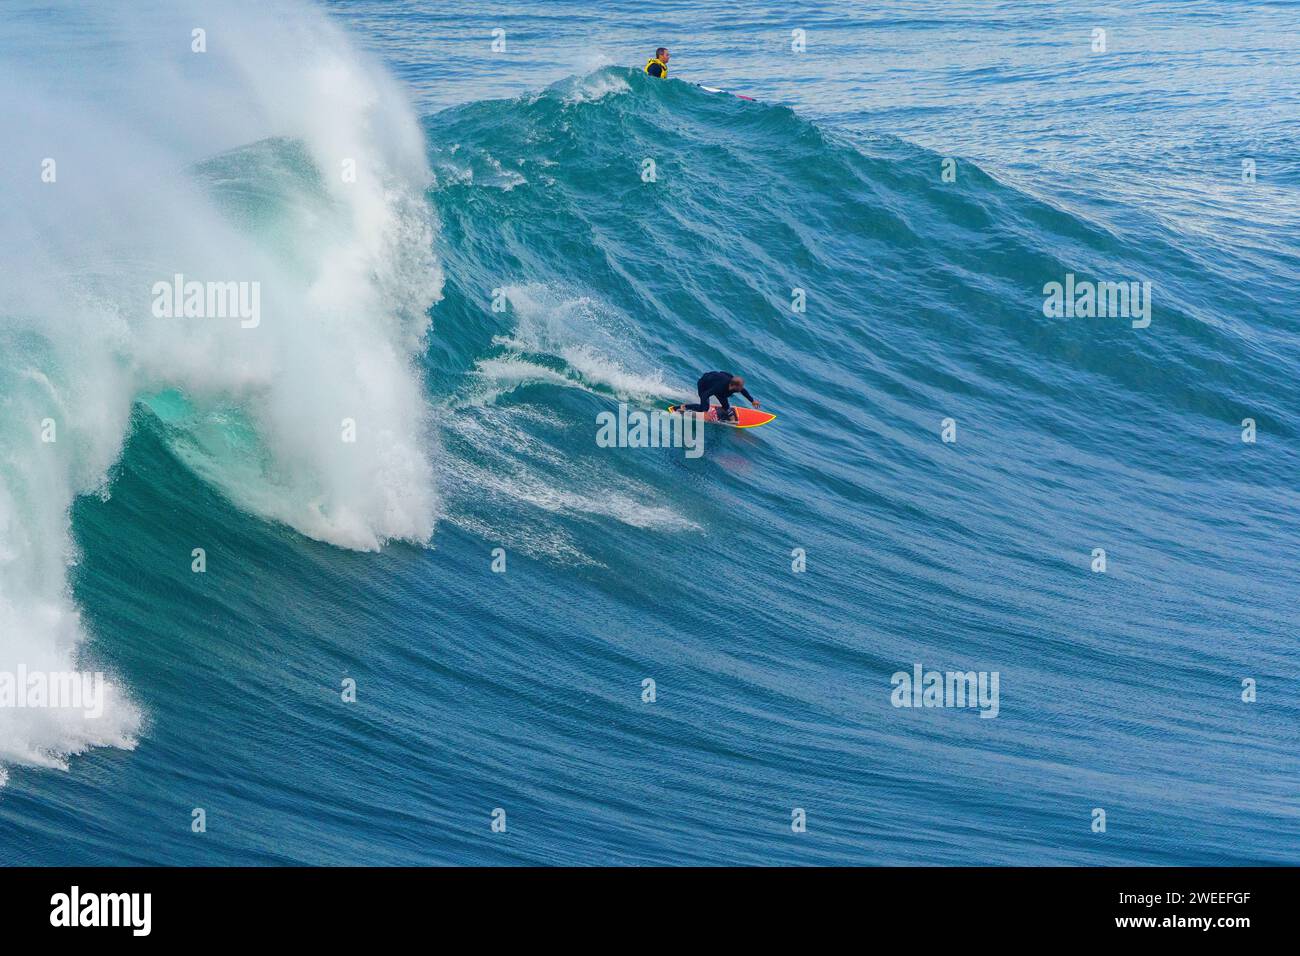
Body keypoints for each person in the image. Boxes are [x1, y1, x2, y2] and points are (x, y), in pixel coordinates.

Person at [674, 371, 759, 422]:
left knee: (726, 405)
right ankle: (684, 407)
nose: (742, 388)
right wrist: (705, 413)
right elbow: (705, 395)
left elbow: (723, 373)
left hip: (716, 383)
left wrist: (752, 401)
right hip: (704, 384)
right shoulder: (719, 387)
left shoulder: (733, 384)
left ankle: (731, 418)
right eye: (740, 387)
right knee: (704, 407)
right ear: (734, 386)